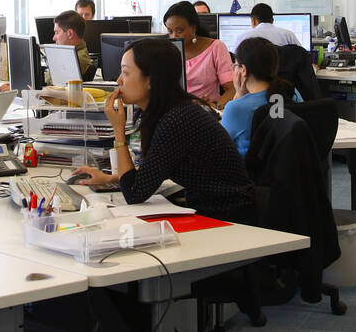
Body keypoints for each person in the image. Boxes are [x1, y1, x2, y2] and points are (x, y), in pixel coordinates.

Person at [73, 37, 254, 223]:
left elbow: (134, 193)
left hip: (229, 216)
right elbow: (153, 169)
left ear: (150, 80)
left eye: (126, 73)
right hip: (209, 208)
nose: (119, 80)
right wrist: (111, 178)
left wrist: (118, 130)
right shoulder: (169, 112)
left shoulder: (177, 120)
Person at [221, 37, 301, 156]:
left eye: (236, 65)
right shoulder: (291, 92)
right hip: (288, 170)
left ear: (243, 70)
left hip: (248, 172)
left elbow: (219, 149)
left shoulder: (236, 108)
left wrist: (238, 96)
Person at [163, 0, 234, 109]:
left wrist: (214, 106)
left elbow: (232, 89)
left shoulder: (216, 47)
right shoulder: (168, 51)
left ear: (193, 27)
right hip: (177, 112)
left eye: (179, 30)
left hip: (207, 113)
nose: (174, 37)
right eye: (170, 31)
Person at [230, 3, 299, 51]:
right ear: (272, 20)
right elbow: (303, 55)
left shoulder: (243, 37)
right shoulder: (288, 35)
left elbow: (235, 60)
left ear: (253, 20)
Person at [52, 9, 93, 77]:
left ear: (70, 34)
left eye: (57, 33)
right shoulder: (70, 55)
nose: (54, 38)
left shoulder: (77, 60)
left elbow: (53, 84)